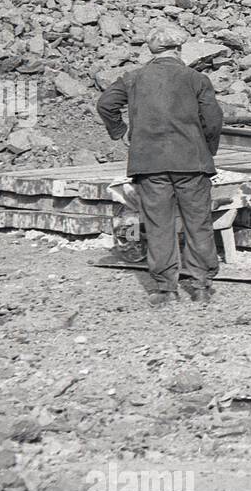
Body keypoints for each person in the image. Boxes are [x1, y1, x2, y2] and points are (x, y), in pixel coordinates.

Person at [96, 25, 224, 307]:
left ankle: (166, 289)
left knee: (158, 224)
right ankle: (201, 286)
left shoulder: (134, 78)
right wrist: (207, 149)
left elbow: (106, 104)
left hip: (149, 163)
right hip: (192, 163)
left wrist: (120, 131)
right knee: (198, 222)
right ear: (179, 49)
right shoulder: (195, 78)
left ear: (152, 50)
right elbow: (214, 120)